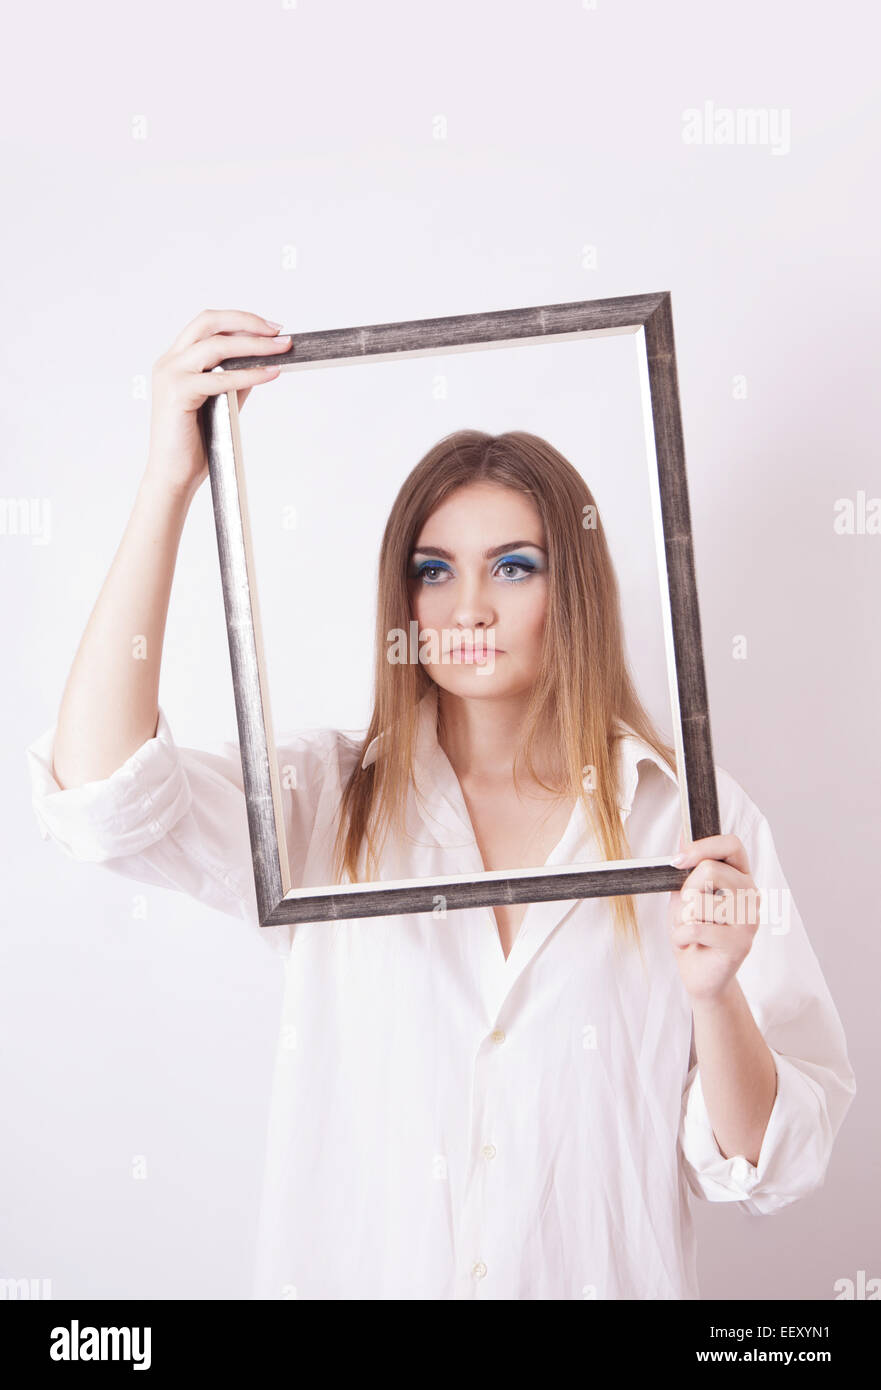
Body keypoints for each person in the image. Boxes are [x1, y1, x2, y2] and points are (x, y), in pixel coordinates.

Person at [26, 308, 856, 1300]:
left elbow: (769, 1162)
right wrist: (169, 482)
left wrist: (714, 995)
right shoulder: (328, 802)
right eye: (433, 572)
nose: (465, 607)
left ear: (574, 589)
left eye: (513, 566)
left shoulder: (690, 827)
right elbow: (103, 798)